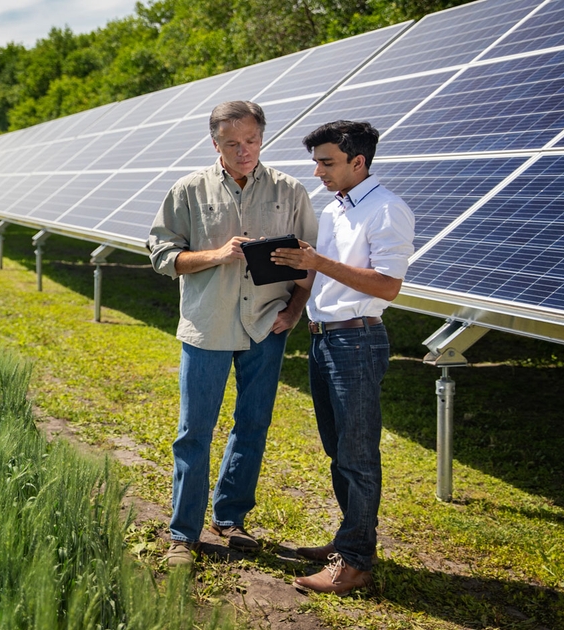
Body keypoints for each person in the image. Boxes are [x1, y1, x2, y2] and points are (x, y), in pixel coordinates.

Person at [147, 101, 318, 567]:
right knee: (193, 432)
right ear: (214, 144)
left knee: (253, 425)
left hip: (267, 326)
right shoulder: (187, 191)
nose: (243, 151)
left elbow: (310, 261)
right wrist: (217, 255)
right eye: (231, 143)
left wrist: (295, 310)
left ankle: (230, 518)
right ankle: (183, 533)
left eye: (251, 141)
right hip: (208, 327)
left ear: (262, 138)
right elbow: (162, 256)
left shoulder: (291, 191)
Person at [271, 120, 415, 594]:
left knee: (357, 456)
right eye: (316, 161)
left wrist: (318, 262)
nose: (317, 172)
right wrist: (293, 294)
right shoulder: (333, 211)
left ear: (359, 161)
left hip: (357, 341)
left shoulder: (388, 210)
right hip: (324, 339)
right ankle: (347, 542)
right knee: (339, 453)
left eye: (327, 162)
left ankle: (354, 563)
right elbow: (320, 277)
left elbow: (387, 286)